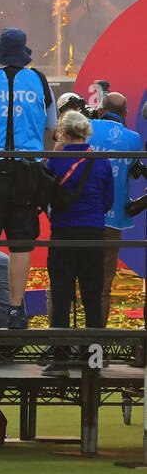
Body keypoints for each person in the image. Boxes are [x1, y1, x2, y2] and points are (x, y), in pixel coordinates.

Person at [0, 28, 57, 328]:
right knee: (21, 243)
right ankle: (16, 310)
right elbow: (52, 124)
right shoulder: (40, 81)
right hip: (27, 171)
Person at [43, 109, 114, 375]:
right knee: (92, 294)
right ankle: (93, 356)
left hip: (63, 232)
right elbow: (107, 200)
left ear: (63, 132)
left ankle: (59, 358)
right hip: (93, 232)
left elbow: (47, 195)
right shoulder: (102, 161)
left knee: (61, 295)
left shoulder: (54, 161)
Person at [88, 92, 145, 324]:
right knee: (102, 287)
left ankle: (61, 344)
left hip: (81, 218)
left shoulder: (87, 127)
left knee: (66, 284)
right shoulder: (133, 138)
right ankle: (95, 343)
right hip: (113, 220)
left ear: (100, 111)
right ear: (125, 114)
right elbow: (133, 170)